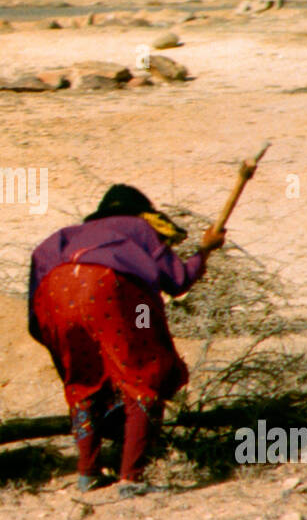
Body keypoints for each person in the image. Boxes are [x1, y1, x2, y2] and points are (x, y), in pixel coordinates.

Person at [28, 185, 225, 497]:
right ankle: (131, 478)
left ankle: (87, 473)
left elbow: (35, 320)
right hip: (115, 292)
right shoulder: (140, 227)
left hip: (55, 296)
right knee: (143, 373)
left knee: (82, 383)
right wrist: (205, 251)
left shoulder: (66, 235)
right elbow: (177, 282)